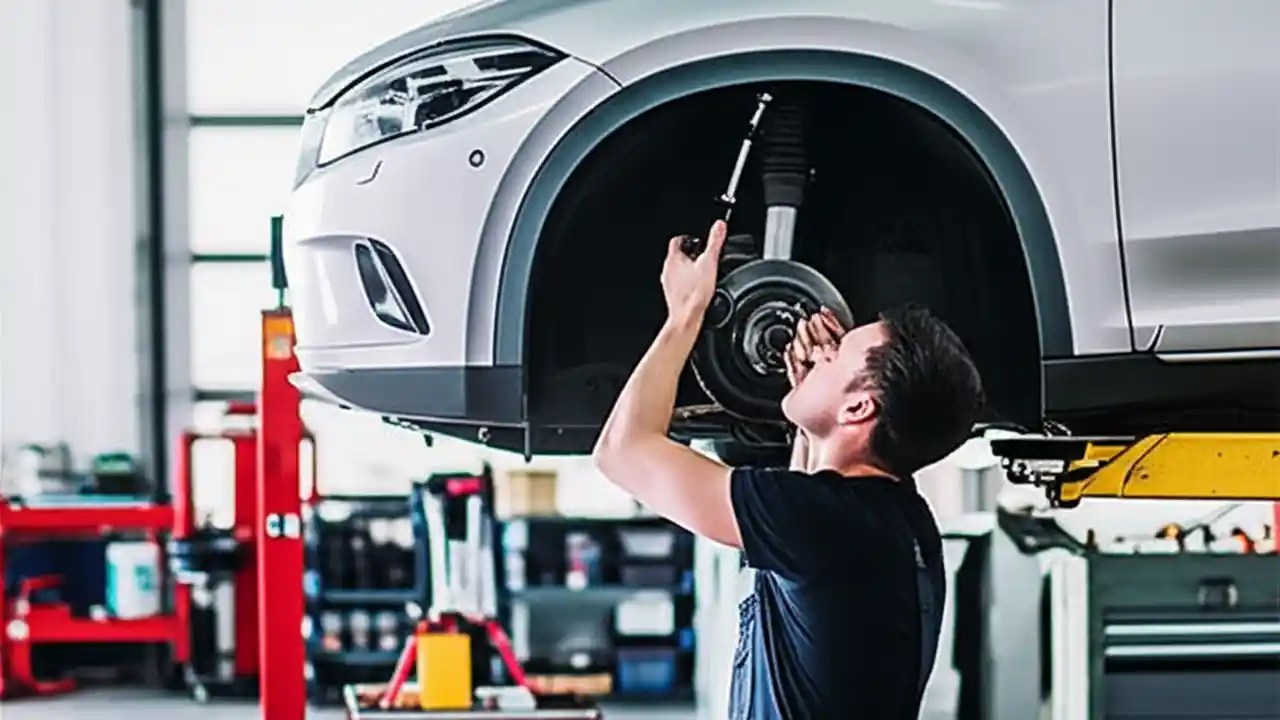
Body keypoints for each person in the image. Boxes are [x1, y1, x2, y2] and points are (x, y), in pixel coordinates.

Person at [592, 220, 985, 719]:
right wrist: (812, 402)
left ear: (859, 410)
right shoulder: (902, 522)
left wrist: (685, 312)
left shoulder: (821, 522)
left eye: (836, 354)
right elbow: (814, 523)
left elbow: (621, 451)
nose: (820, 353)